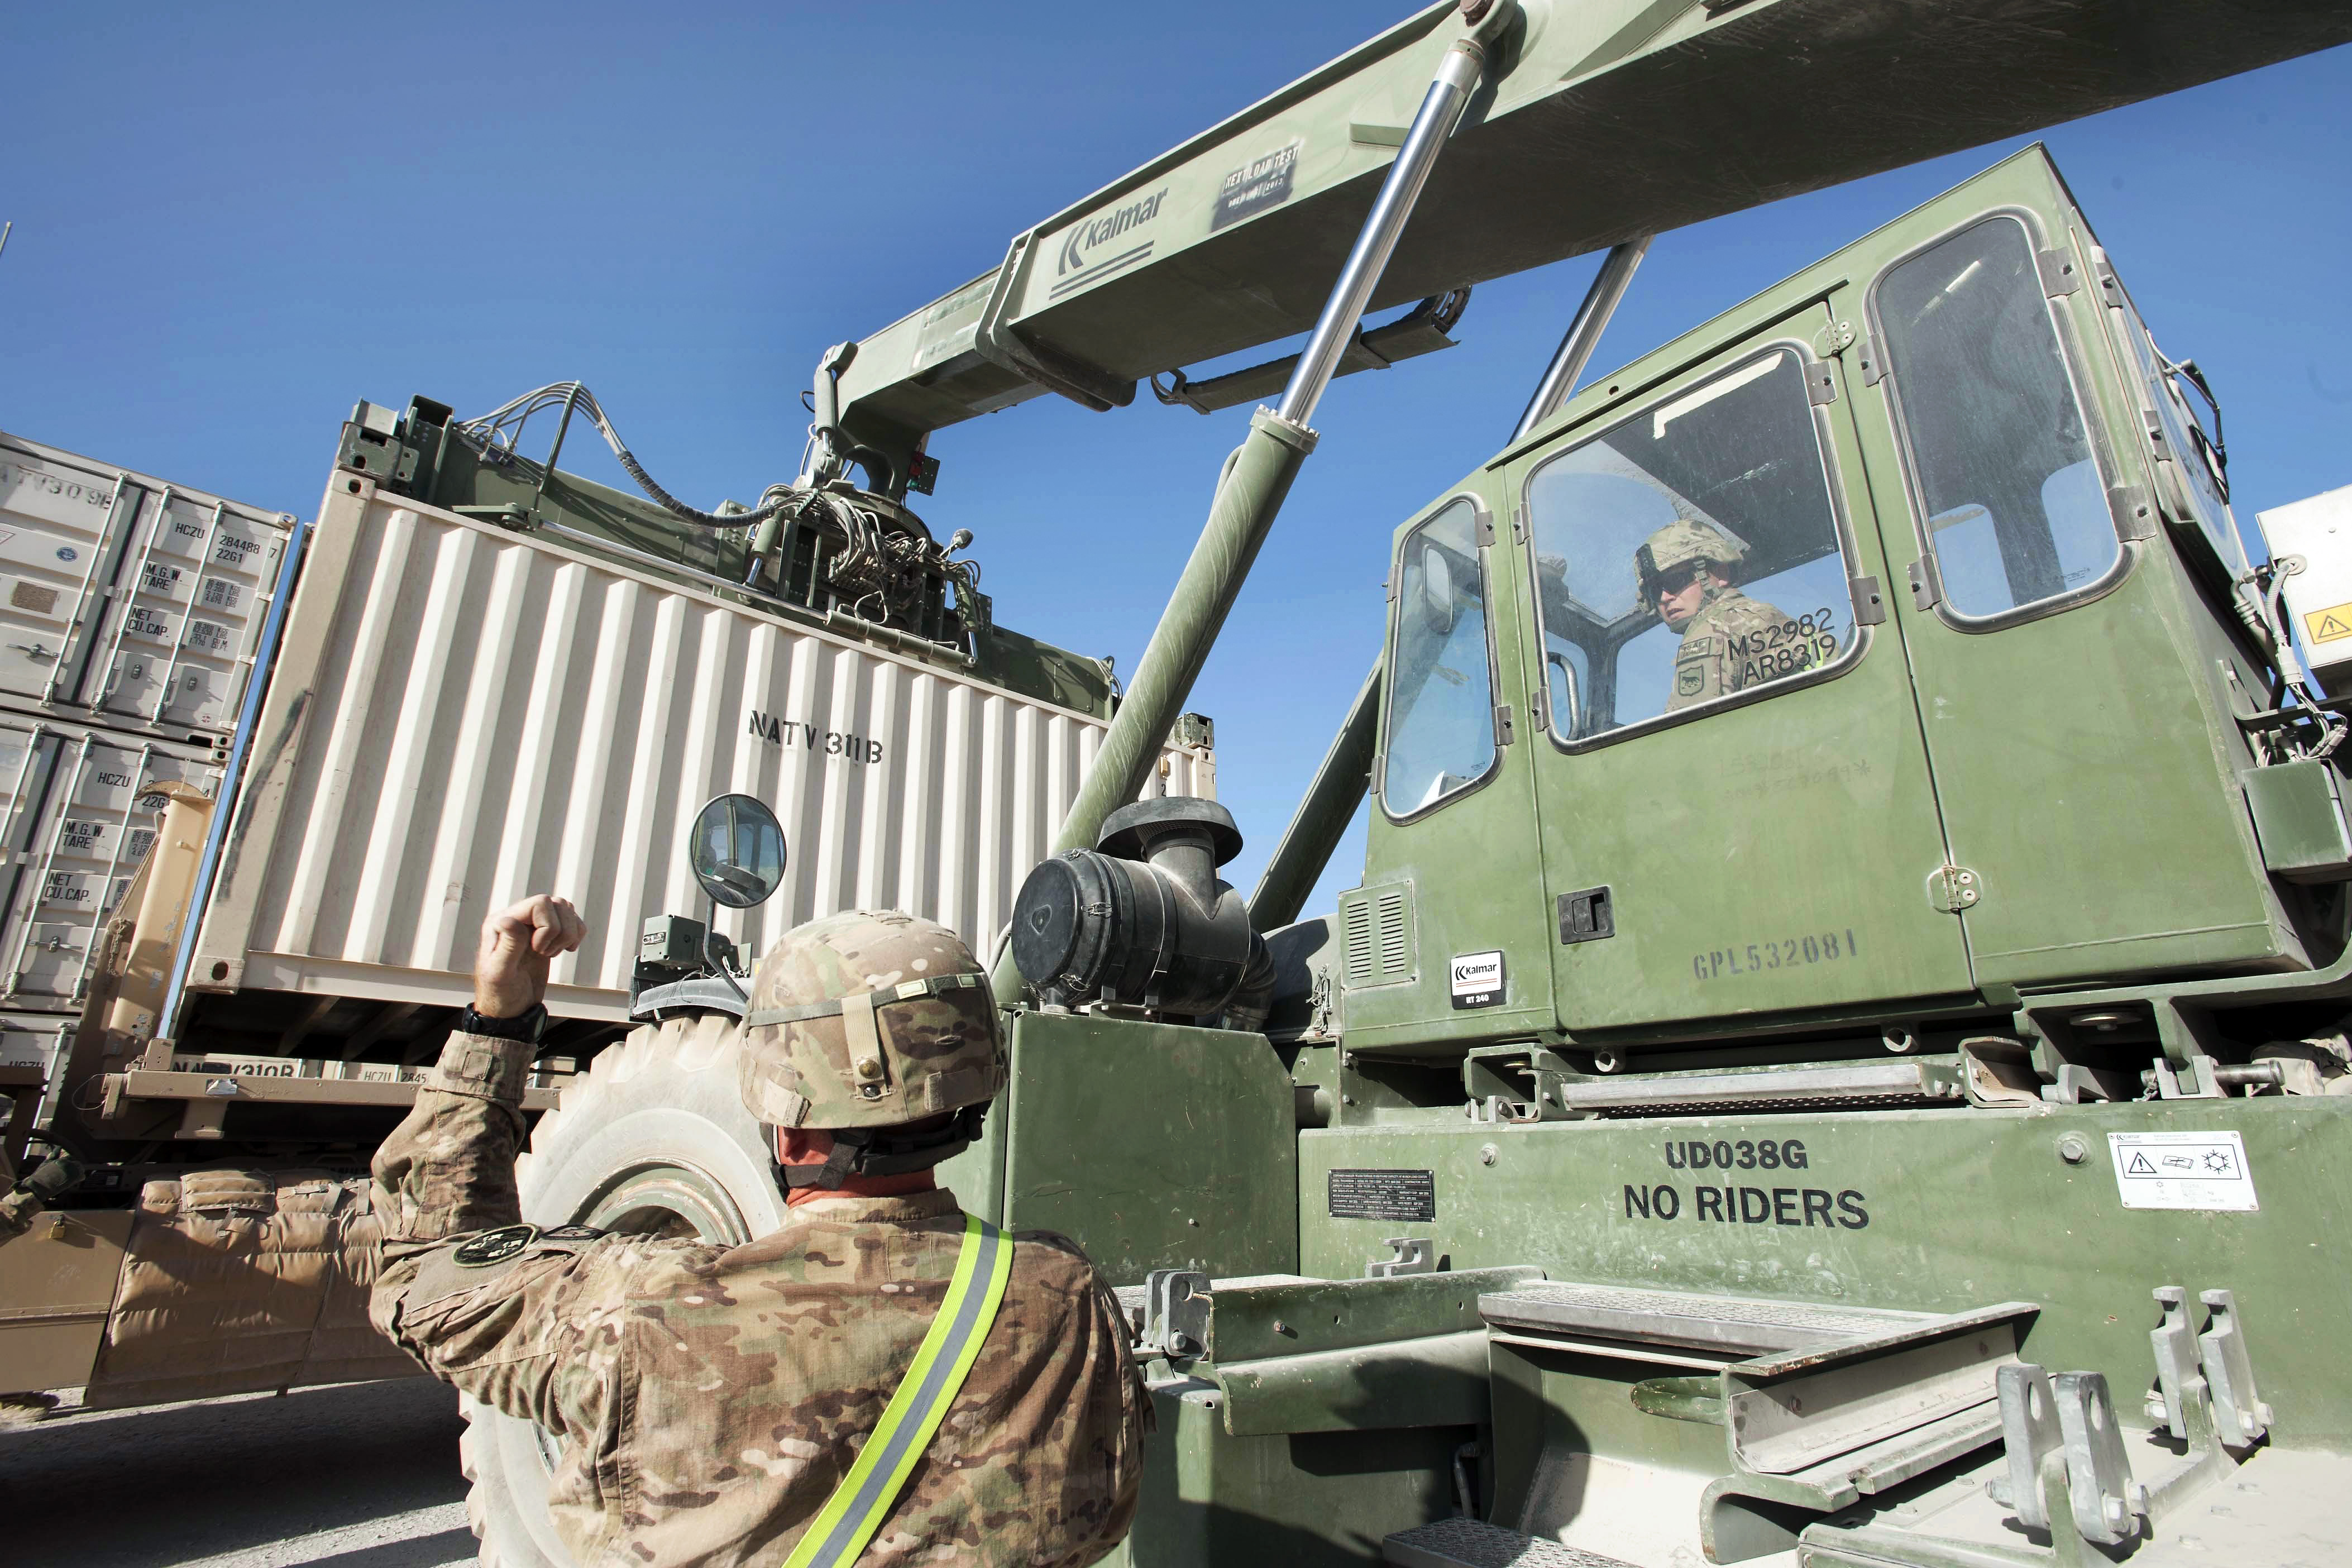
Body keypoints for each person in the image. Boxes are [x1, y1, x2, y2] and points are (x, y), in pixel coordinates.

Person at [369, 895, 1148, 1568]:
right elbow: (1101, 1517)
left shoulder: (635, 1313)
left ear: (791, 1133)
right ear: (970, 1097)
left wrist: (497, 1025)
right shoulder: (1067, 1307)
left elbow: (420, 1271)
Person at [1636, 519, 1825, 711]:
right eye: (1655, 591)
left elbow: (1696, 729)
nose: (1665, 597)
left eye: (1675, 581)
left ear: (1720, 574)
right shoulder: (1762, 615)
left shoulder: (1711, 627)